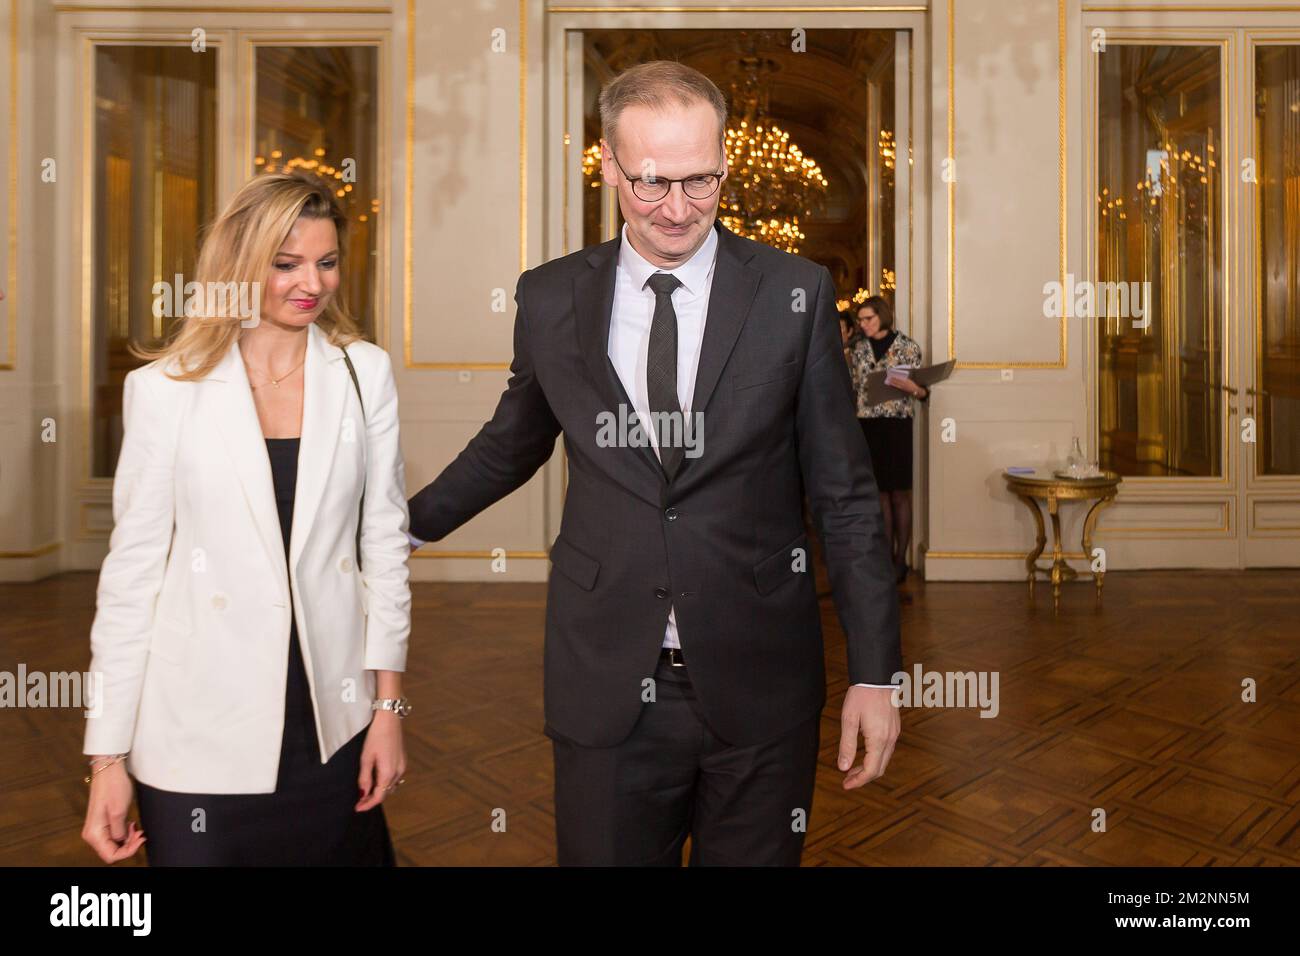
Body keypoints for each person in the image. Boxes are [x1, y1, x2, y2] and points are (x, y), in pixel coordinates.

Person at [407, 61, 901, 866]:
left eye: (701, 181)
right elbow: (512, 442)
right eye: (651, 183)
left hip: (761, 684)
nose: (677, 209)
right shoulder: (550, 297)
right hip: (606, 681)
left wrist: (878, 675)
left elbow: (844, 497)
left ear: (726, 164)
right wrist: (404, 528)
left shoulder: (795, 294)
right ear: (608, 165)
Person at [80, 171, 412, 866]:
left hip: (329, 719)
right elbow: (131, 578)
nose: (311, 284)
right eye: (285, 264)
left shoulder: (363, 373)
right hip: (196, 730)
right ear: (237, 267)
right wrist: (106, 757)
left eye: (326, 263)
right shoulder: (164, 390)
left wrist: (388, 711)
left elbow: (383, 545)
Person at [848, 296, 927, 584]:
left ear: (882, 315)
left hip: (897, 426)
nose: (864, 324)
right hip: (867, 426)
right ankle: (883, 559)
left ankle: (900, 559)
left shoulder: (908, 347)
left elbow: (923, 392)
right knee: (879, 494)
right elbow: (854, 387)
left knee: (899, 494)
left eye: (868, 318)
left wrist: (913, 387)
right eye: (860, 320)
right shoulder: (857, 350)